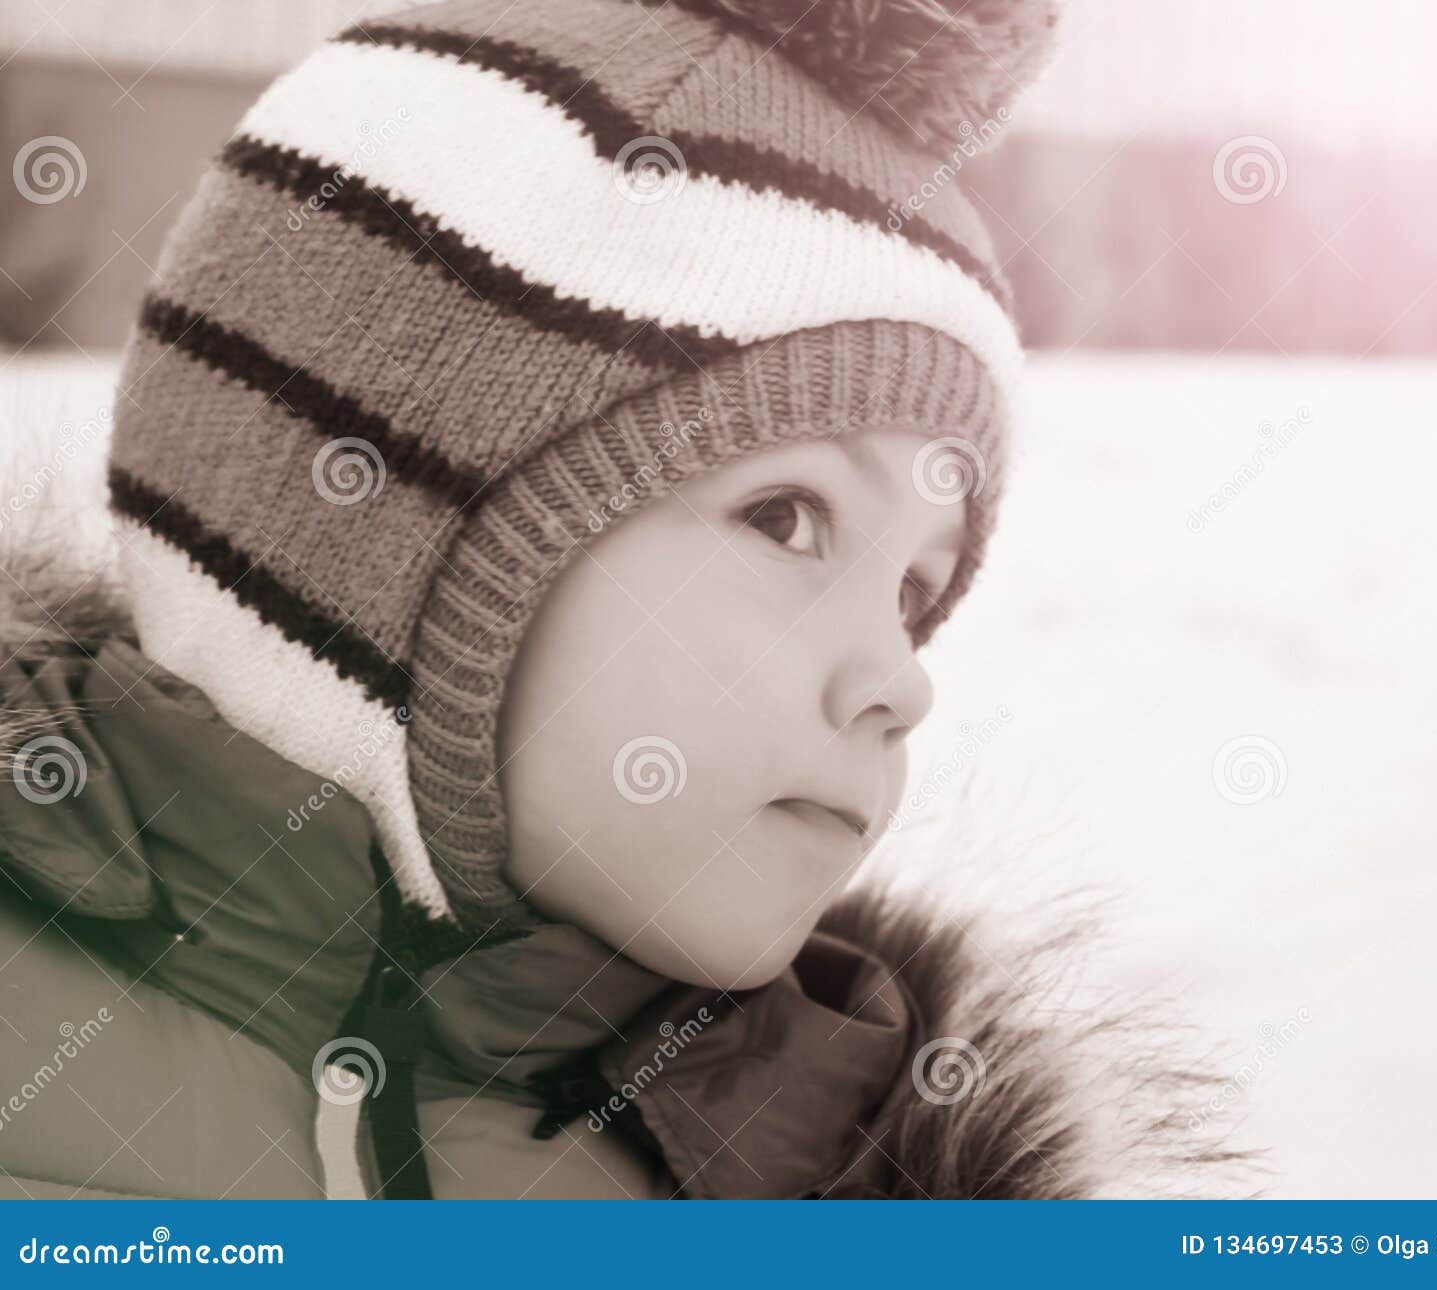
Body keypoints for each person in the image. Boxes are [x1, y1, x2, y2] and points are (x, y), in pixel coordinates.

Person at [0, 0, 1245, 1199]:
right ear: (359, 558)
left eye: (916, 590)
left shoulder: (841, 1186)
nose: (900, 678)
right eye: (785, 518)